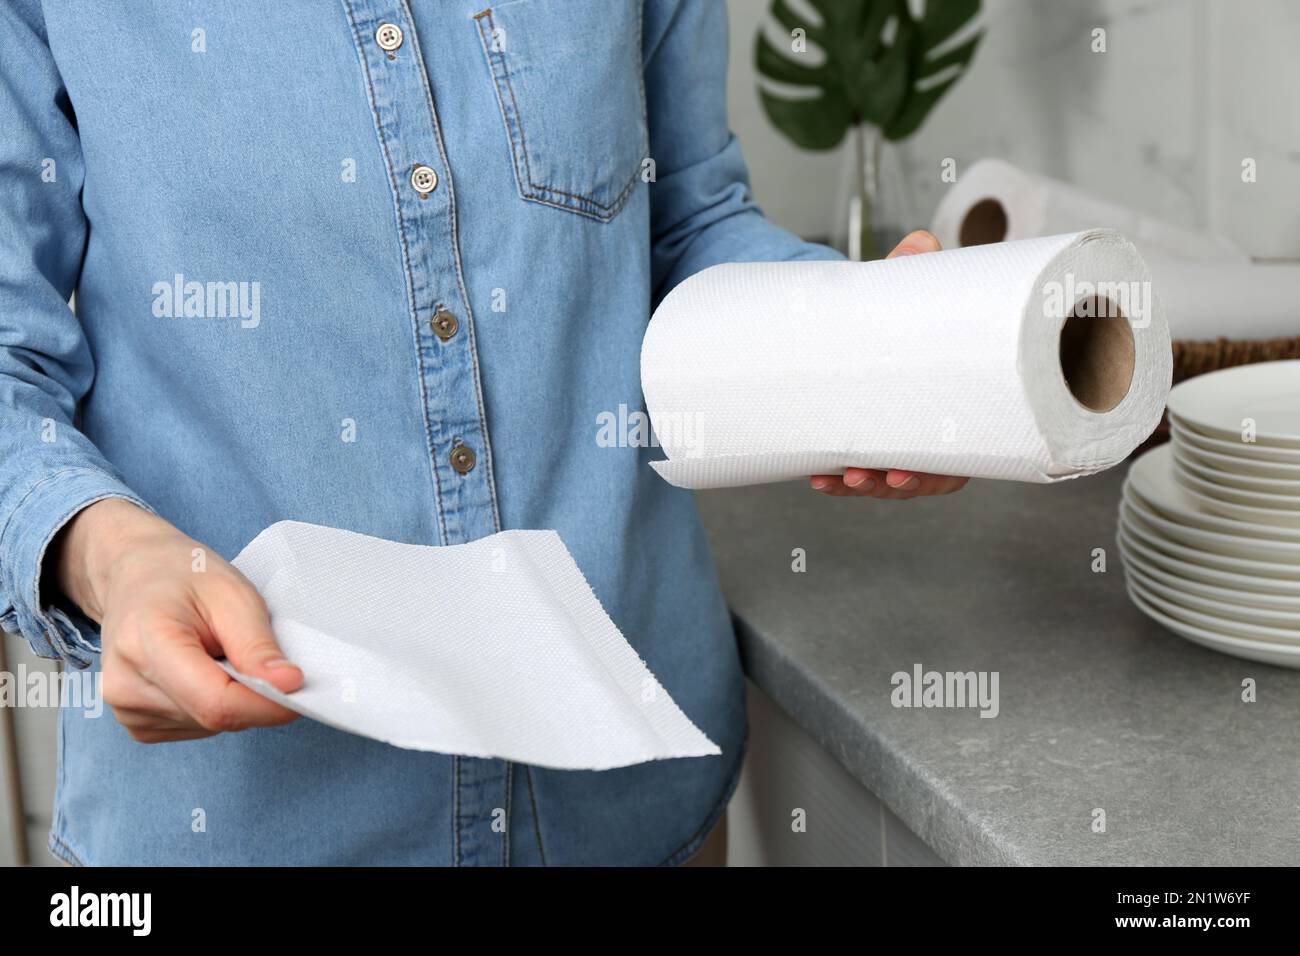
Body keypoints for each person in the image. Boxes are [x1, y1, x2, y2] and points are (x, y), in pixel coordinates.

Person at [0, 0, 965, 866]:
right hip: (248, 821)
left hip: (635, 803)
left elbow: (686, 221)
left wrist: (854, 343)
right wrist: (114, 558)